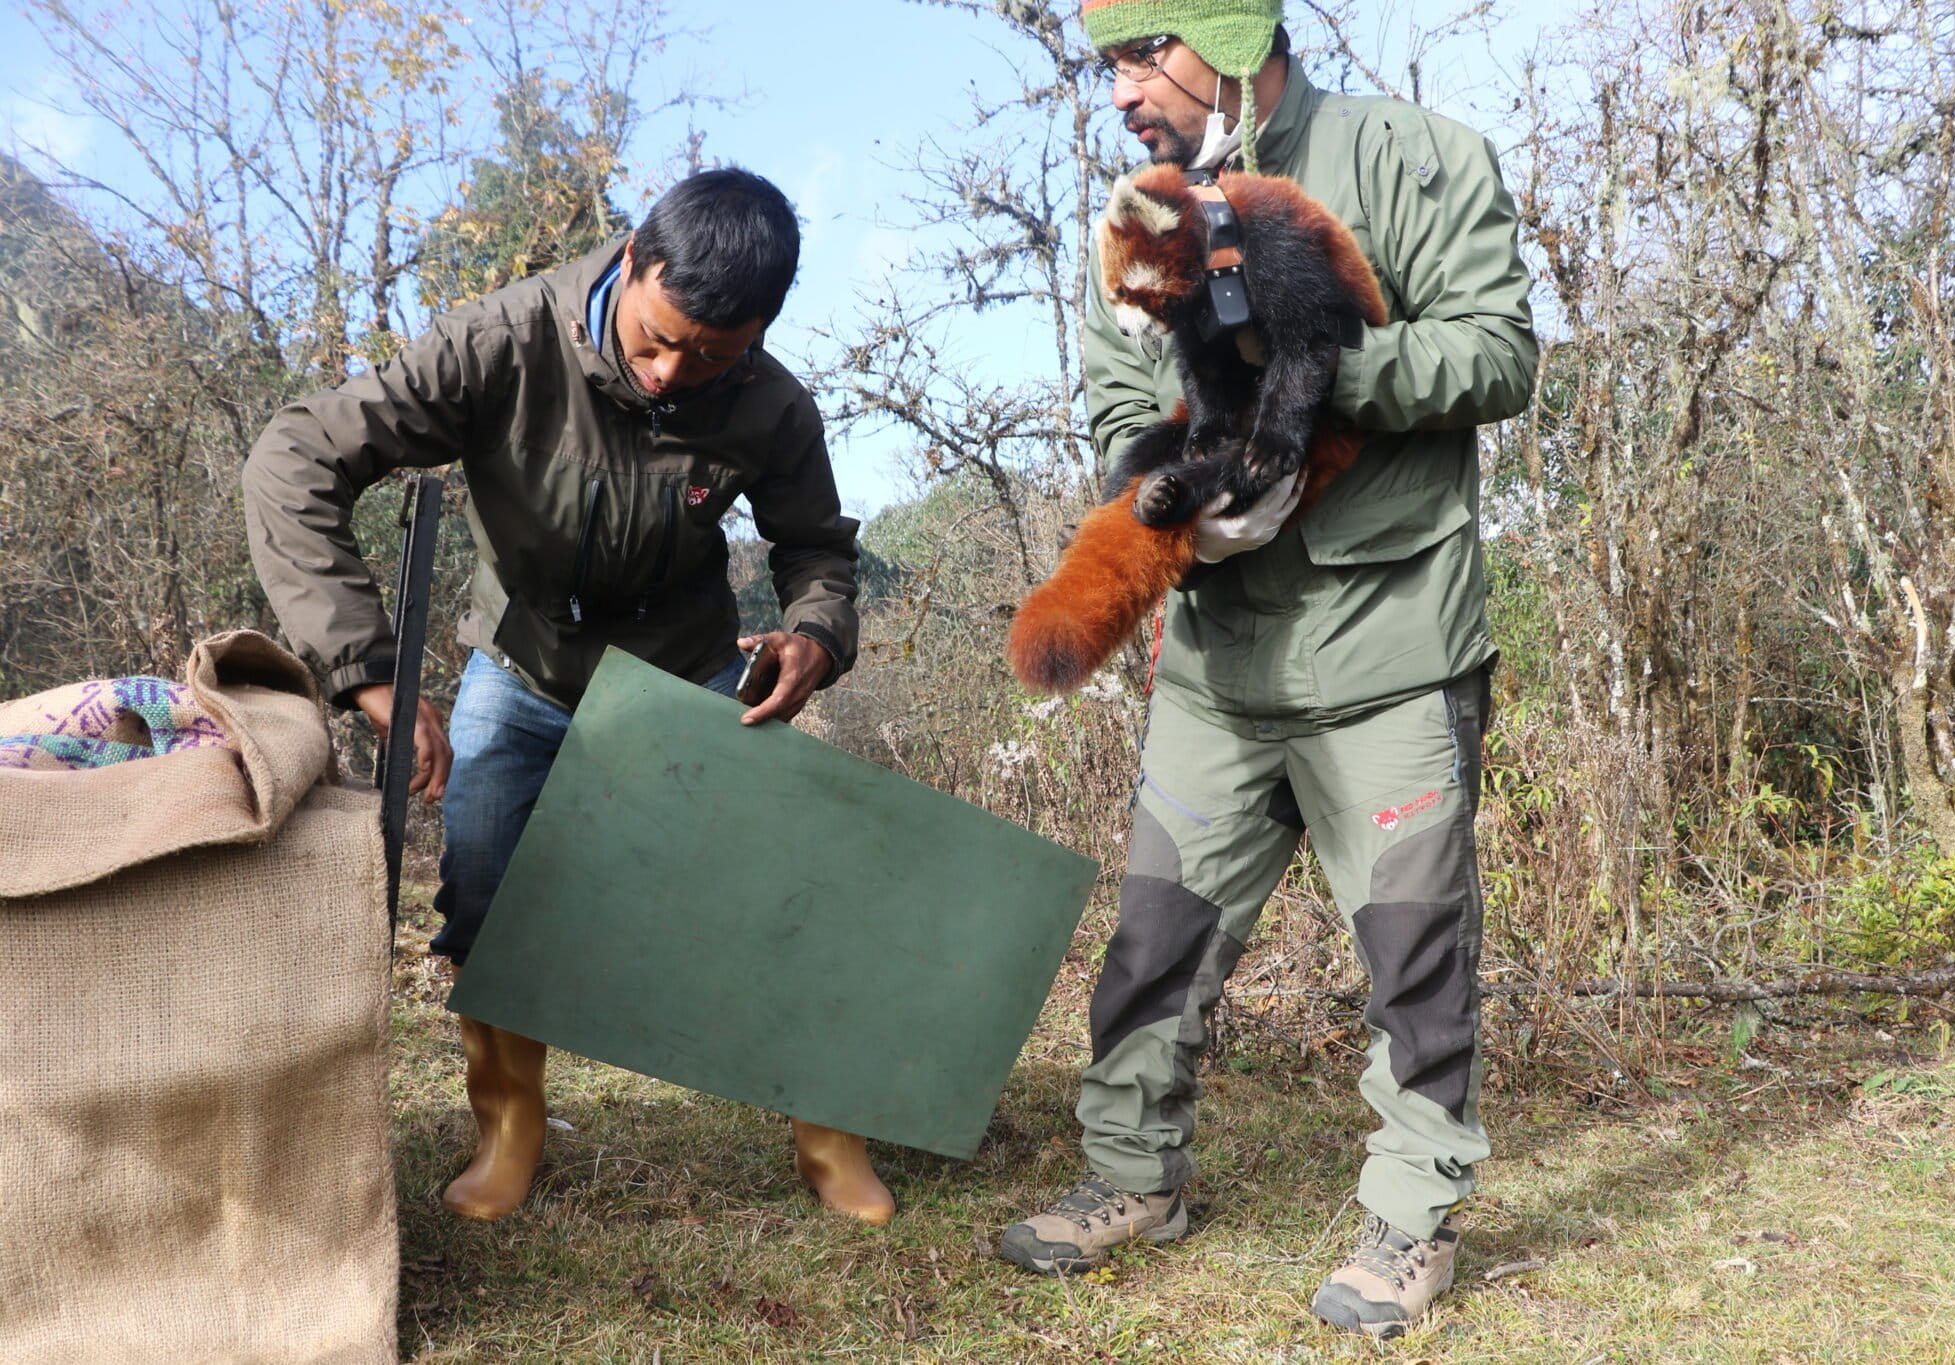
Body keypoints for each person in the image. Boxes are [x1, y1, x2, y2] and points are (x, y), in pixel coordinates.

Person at [997, 2, 1537, 1338]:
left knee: (1414, 954)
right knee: (1155, 939)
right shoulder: (1139, 211)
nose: (1120, 91)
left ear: (1227, 37)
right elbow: (1123, 399)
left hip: (1392, 645)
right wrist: (1174, 486)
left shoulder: (1418, 157)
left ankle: (1409, 1222)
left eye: (1142, 55)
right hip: (1220, 667)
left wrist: (1325, 376)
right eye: (1104, 64)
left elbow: (1498, 352)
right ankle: (1134, 1180)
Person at [243, 167, 896, 1227]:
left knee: (779, 896)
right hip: (524, 669)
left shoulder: (770, 404)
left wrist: (816, 633)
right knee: (487, 902)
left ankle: (829, 1134)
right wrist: (368, 669)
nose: (673, 372)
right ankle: (509, 1129)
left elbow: (817, 551)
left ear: (762, 329)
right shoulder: (498, 343)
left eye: (711, 357)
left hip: (687, 677)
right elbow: (296, 456)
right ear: (633, 262)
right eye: (656, 339)